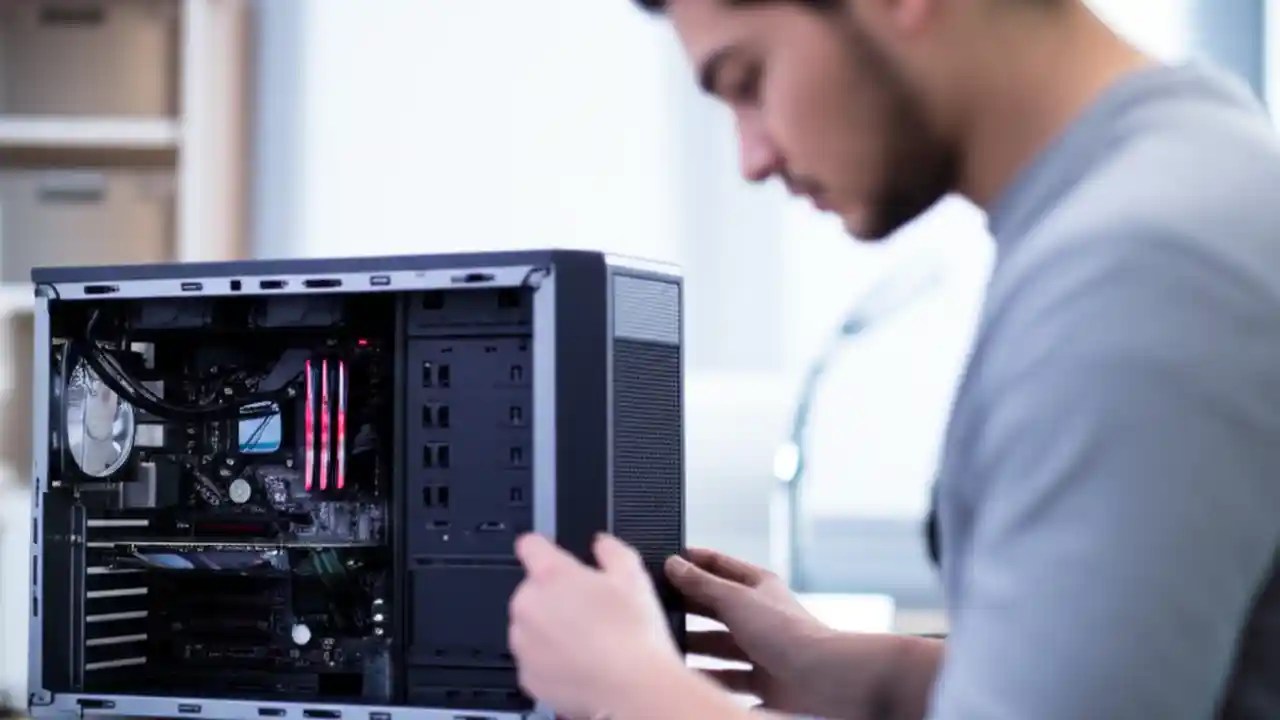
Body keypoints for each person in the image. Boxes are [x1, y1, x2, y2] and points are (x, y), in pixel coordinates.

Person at [505, 0, 1280, 718]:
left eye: (749, 80)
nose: (751, 156)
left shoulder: (1144, 267)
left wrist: (639, 692)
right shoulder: (1188, 176)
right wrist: (857, 672)